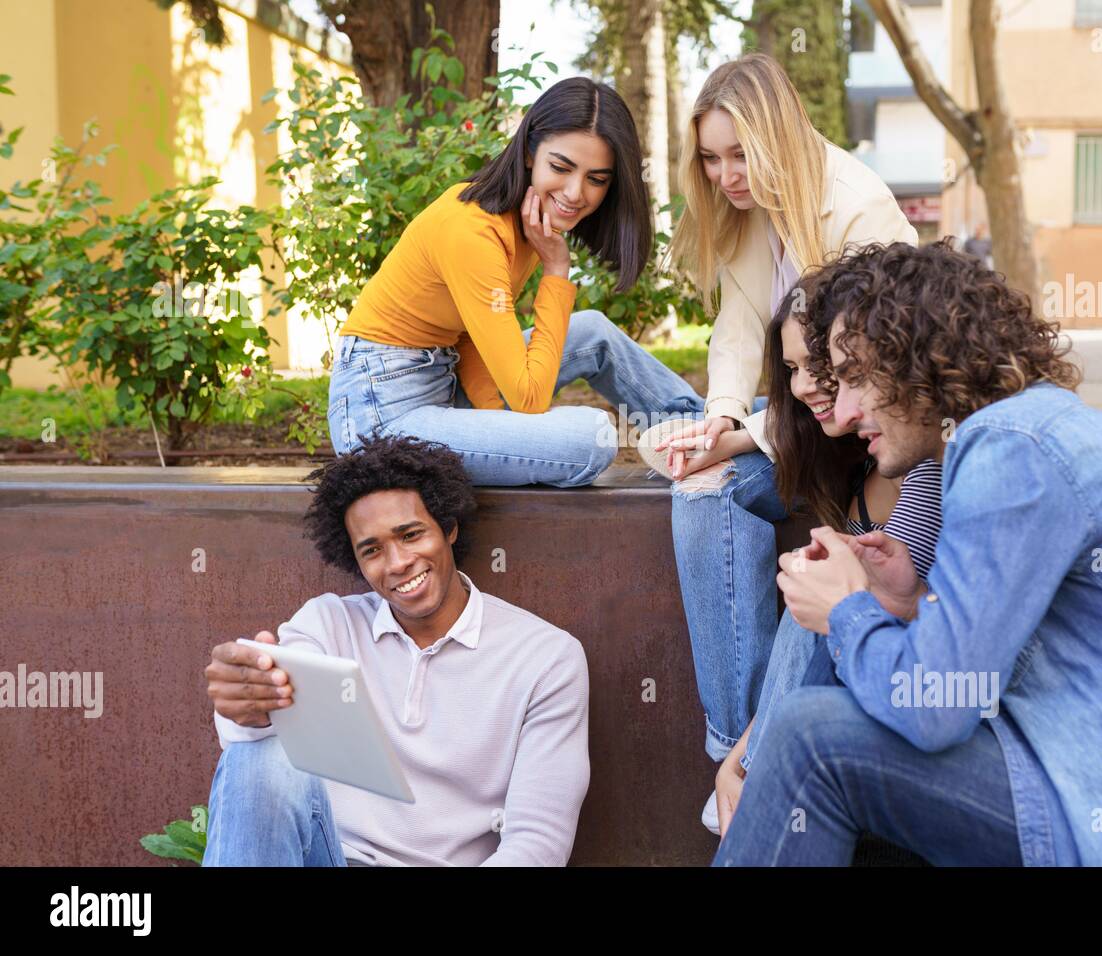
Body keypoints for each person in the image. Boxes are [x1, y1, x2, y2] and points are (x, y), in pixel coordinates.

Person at [717, 239, 1102, 866]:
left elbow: (937, 705)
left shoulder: (1011, 448)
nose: (847, 406)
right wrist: (907, 602)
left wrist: (850, 612)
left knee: (812, 741)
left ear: (921, 353)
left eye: (857, 375)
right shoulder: (1027, 430)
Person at [634, 53, 917, 781]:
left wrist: (740, 434)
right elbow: (737, 328)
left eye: (739, 154)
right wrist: (718, 421)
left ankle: (754, 770)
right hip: (799, 426)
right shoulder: (753, 212)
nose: (726, 176)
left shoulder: (857, 204)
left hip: (869, 439)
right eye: (711, 159)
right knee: (699, 490)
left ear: (778, 137)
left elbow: (867, 380)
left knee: (786, 554)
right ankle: (735, 752)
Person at [203, 434, 590, 866]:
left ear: (448, 527)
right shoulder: (328, 625)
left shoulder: (546, 658)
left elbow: (538, 846)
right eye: (372, 550)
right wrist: (249, 705)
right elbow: (252, 754)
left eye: (410, 535)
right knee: (263, 759)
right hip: (330, 858)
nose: (397, 563)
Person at [328, 76, 703, 488]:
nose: (576, 193)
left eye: (597, 179)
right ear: (528, 153)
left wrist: (497, 418)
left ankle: (701, 428)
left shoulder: (524, 223)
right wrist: (557, 271)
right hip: (382, 415)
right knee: (590, 439)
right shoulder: (474, 231)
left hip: (441, 383)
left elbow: (469, 338)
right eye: (561, 167)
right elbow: (528, 396)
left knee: (593, 331)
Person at [698, 279, 943, 837]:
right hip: (838, 690)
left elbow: (854, 614)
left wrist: (748, 763)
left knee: (821, 574)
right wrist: (736, 759)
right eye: (789, 369)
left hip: (908, 699)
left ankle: (759, 771)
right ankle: (750, 760)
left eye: (821, 365)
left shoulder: (924, 465)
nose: (804, 384)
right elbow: (820, 630)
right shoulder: (854, 466)